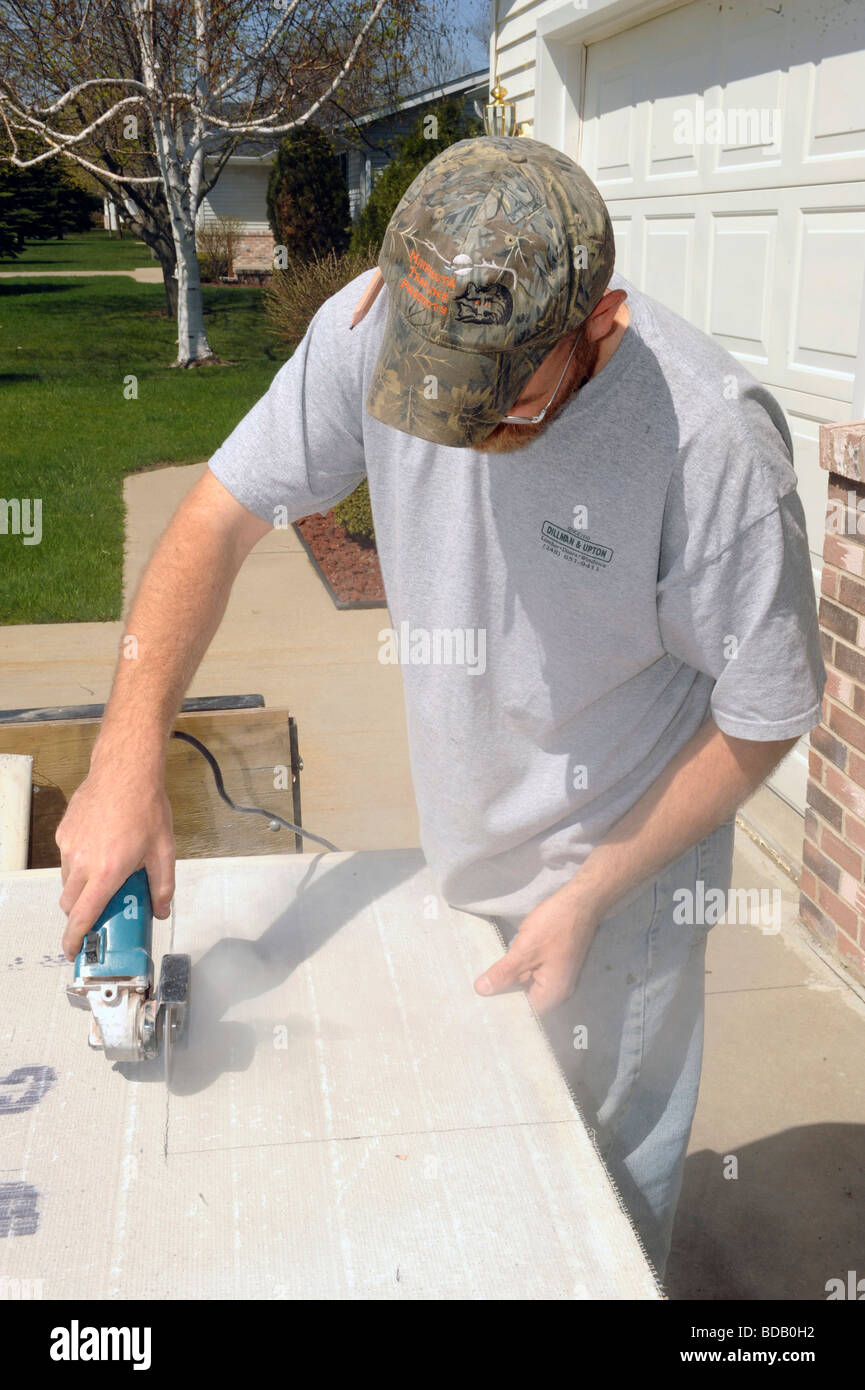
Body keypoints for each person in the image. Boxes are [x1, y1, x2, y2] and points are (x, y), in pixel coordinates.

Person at [56, 136, 826, 1280]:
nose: (457, 436)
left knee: (593, 1225)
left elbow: (764, 709)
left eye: (500, 405)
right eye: (428, 398)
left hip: (619, 893)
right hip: (467, 860)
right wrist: (125, 756)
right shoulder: (371, 327)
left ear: (598, 324)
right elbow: (217, 518)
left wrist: (590, 890)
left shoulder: (714, 443)